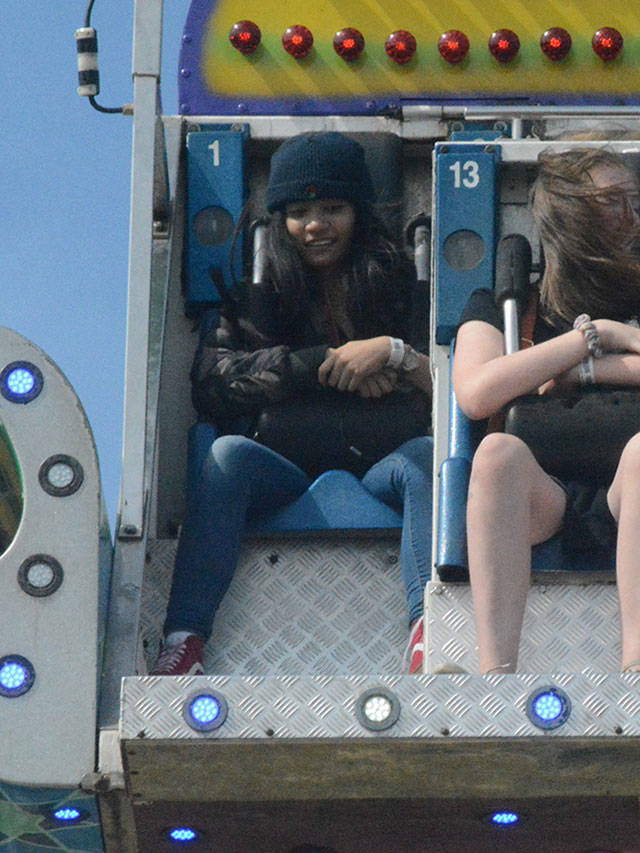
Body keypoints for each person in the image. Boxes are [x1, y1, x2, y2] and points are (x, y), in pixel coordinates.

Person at [151, 132, 434, 676]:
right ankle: (184, 639)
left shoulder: (402, 286)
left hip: (382, 459)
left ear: (359, 212)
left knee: (425, 459)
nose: (315, 225)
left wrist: (391, 356)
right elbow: (211, 382)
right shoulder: (256, 294)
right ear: (279, 219)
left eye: (333, 208)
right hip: (285, 461)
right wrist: (319, 366)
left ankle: (428, 629)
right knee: (226, 456)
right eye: (299, 211)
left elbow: (449, 380)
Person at [451, 148, 640, 674]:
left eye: (634, 204)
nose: (630, 218)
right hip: (547, 493)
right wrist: (592, 337)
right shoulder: (504, 307)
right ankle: (495, 672)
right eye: (610, 202)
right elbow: (476, 392)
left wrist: (592, 369)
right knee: (494, 453)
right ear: (565, 212)